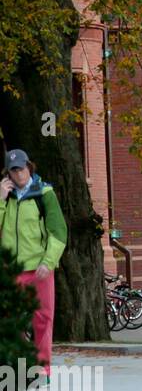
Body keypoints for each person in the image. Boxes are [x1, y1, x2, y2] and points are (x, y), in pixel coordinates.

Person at [0, 149, 67, 374]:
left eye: (21, 168)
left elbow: (58, 232)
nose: (18, 174)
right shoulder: (5, 197)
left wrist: (48, 262)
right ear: (7, 173)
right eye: (13, 170)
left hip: (40, 267)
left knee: (42, 318)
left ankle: (42, 369)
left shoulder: (44, 193)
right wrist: (0, 200)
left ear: (29, 166)